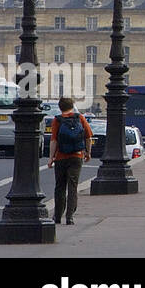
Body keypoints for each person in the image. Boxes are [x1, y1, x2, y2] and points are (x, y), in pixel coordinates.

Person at [48, 96, 92, 225]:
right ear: (72, 106)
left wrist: (51, 158)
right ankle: (70, 217)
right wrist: (88, 152)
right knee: (73, 187)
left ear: (60, 107)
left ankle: (57, 216)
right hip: (76, 156)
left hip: (61, 157)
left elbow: (53, 140)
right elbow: (88, 137)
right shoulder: (80, 118)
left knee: (60, 187)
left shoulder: (57, 120)